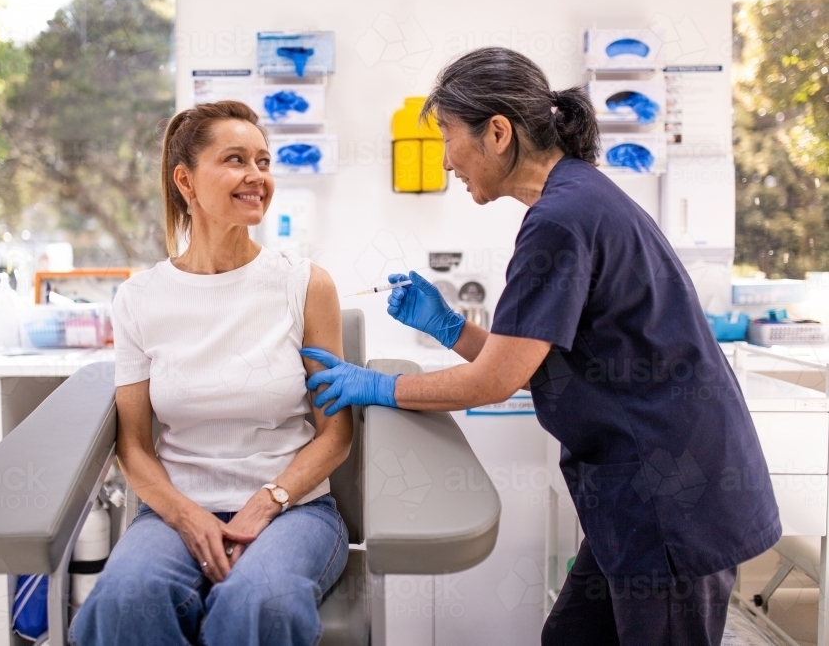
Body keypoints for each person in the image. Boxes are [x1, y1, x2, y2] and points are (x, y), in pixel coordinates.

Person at [301, 47, 780, 646]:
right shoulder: (576, 197)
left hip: (668, 502)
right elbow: (530, 366)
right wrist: (451, 329)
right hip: (643, 495)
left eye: (449, 136)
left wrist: (378, 386)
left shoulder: (561, 219)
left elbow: (494, 382)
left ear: (496, 132)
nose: (448, 160)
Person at [70, 101, 352, 646]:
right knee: (126, 599)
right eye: (235, 159)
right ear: (186, 181)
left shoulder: (305, 284)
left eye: (264, 162)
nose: (257, 176)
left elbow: (336, 433)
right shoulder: (139, 299)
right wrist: (186, 516)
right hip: (177, 510)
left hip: (295, 510)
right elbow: (134, 446)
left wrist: (265, 503)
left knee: (261, 603)